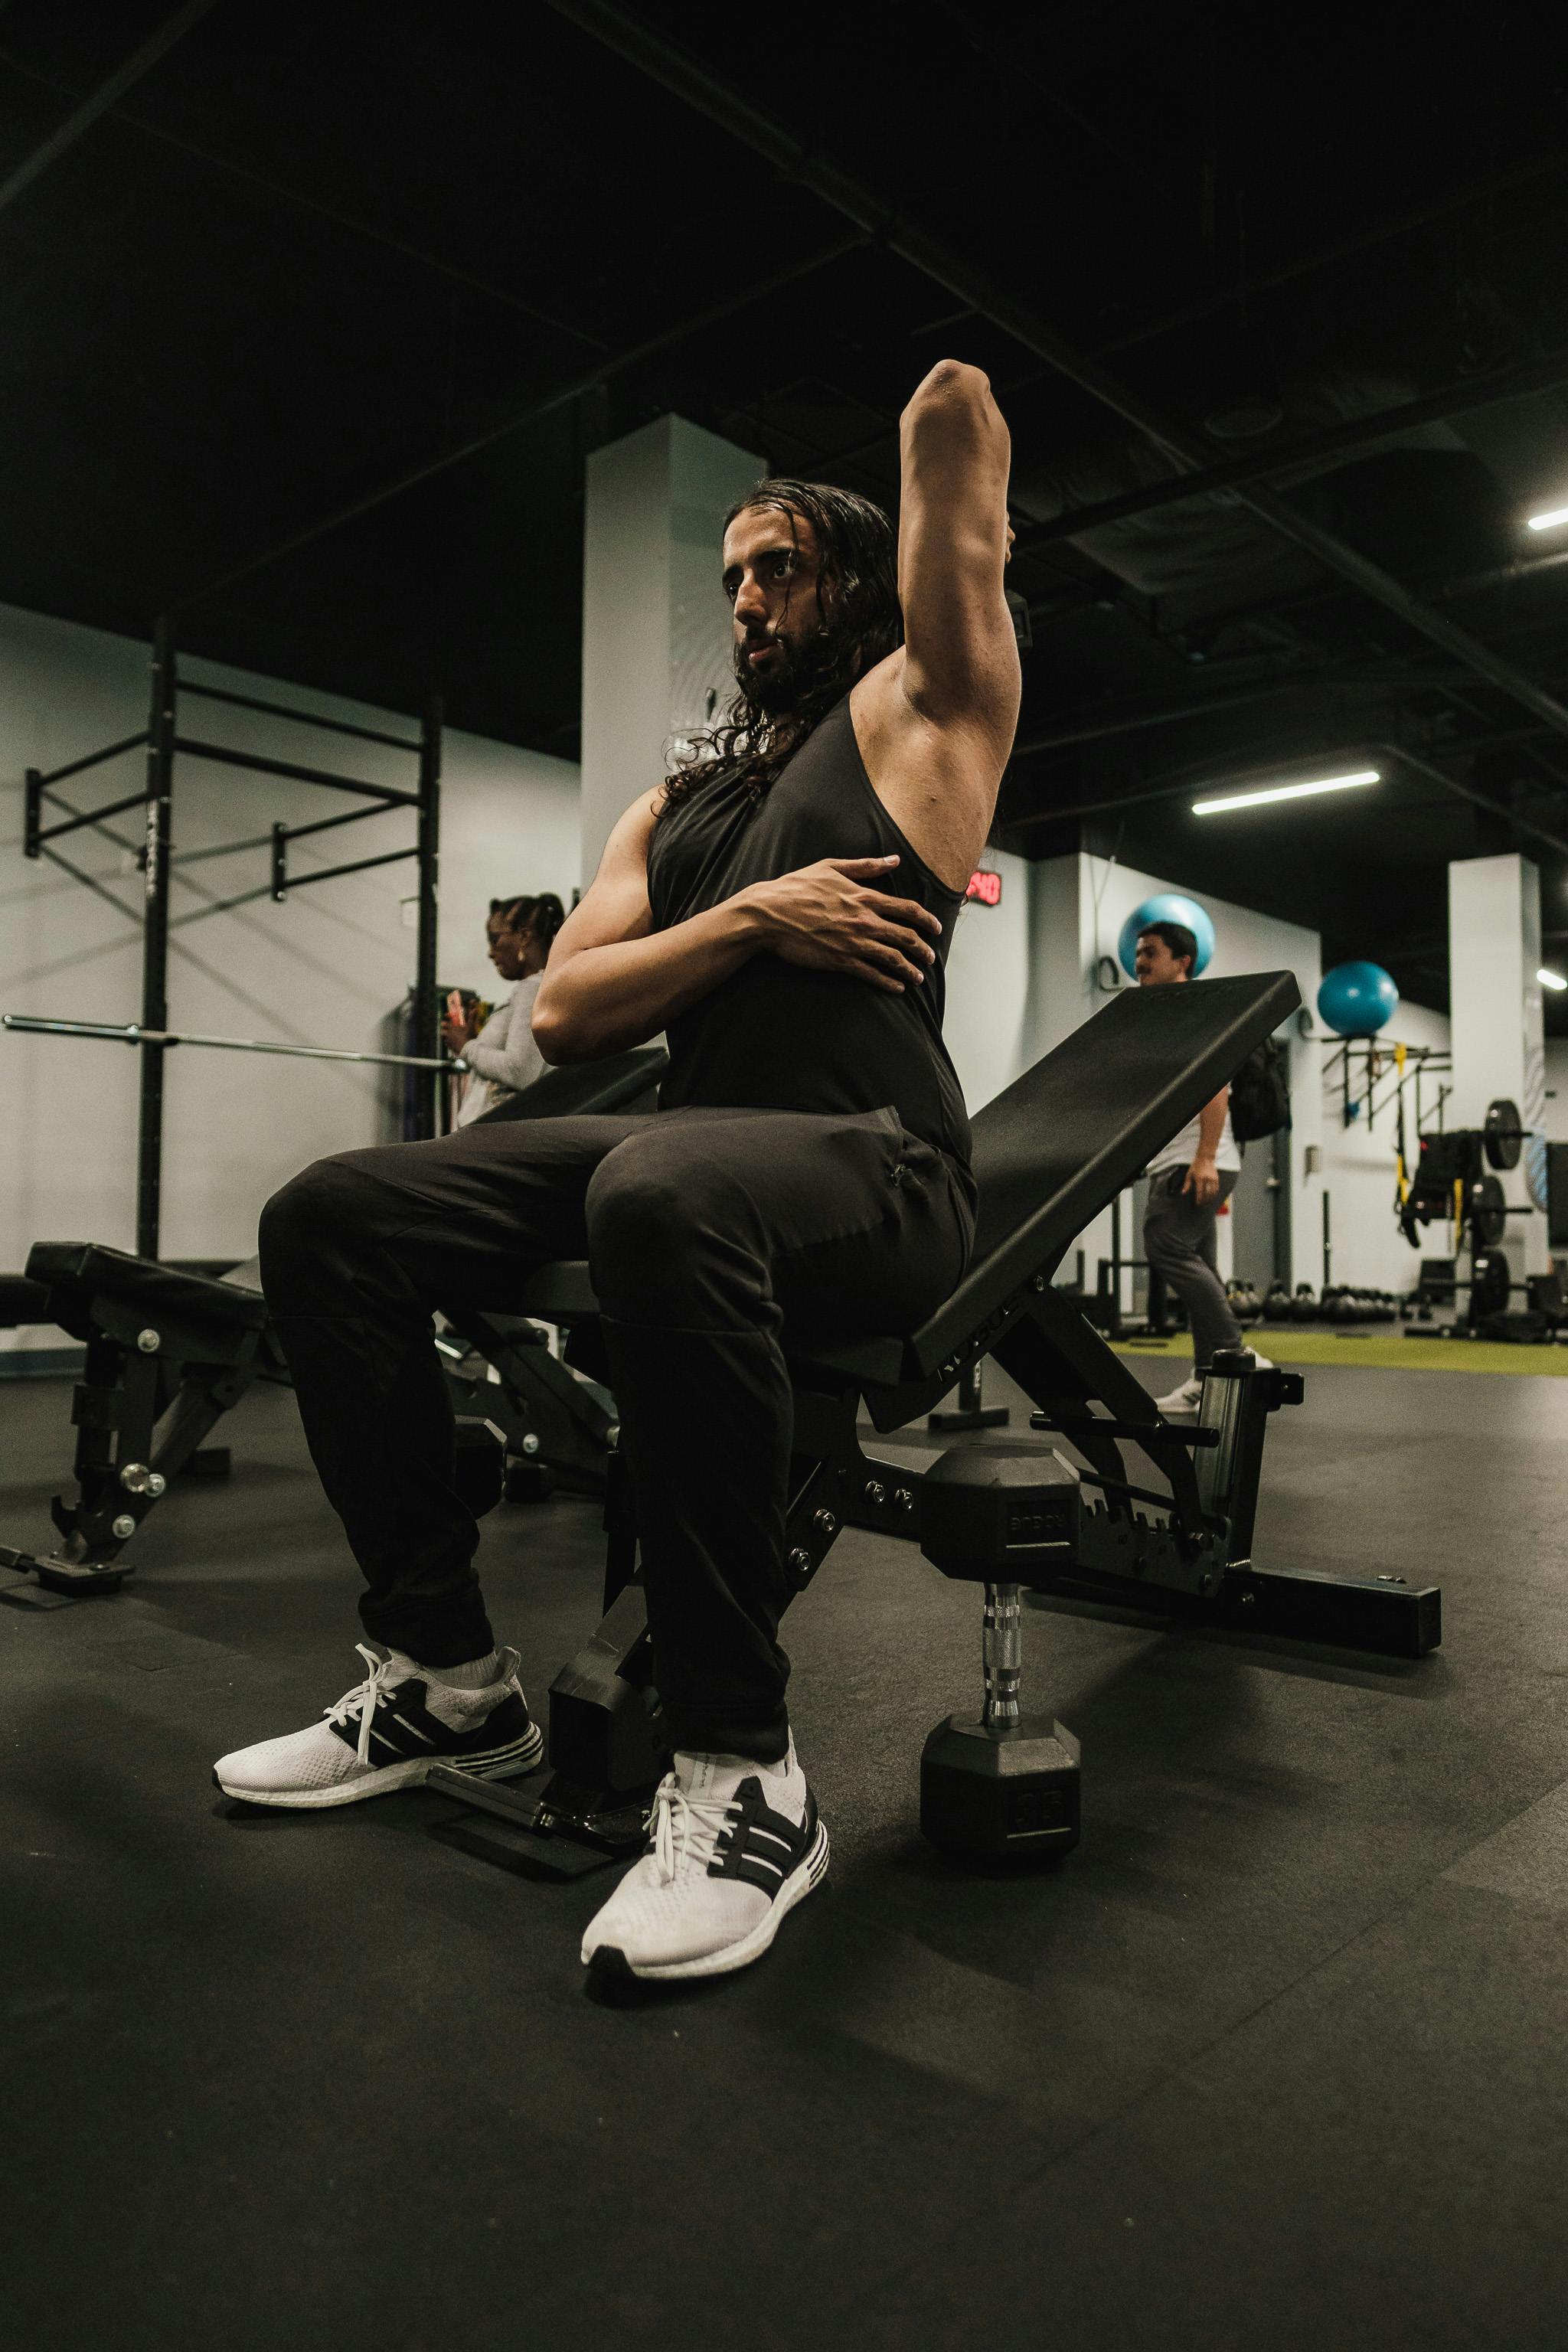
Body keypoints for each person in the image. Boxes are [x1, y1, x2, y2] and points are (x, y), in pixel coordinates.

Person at [217, 358, 1021, 1984]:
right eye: (728, 575)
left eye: (777, 566)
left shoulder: (921, 712)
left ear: (853, 582)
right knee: (331, 1216)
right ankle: (443, 1675)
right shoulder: (678, 802)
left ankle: (743, 1772)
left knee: (660, 1193)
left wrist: (919, 418)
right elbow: (570, 1016)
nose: (744, 597)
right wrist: (750, 921)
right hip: (687, 1146)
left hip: (878, 1160)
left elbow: (952, 424)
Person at [1134, 920, 1270, 1415]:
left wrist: (1206, 1155)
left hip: (1196, 1160)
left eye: (1151, 952)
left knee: (1163, 1242)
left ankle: (1237, 1353)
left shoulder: (1193, 1010)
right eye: (1138, 953)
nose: (1140, 962)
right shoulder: (1163, 1015)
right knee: (1203, 1270)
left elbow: (1216, 1084)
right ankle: (1204, 1378)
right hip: (1178, 1159)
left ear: (1183, 961)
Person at [444, 893, 565, 1125]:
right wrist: (472, 1041)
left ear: (524, 937)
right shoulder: (540, 987)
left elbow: (520, 1071)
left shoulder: (533, 989)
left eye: (495, 939)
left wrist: (466, 1047)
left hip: (496, 1135)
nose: (490, 952)